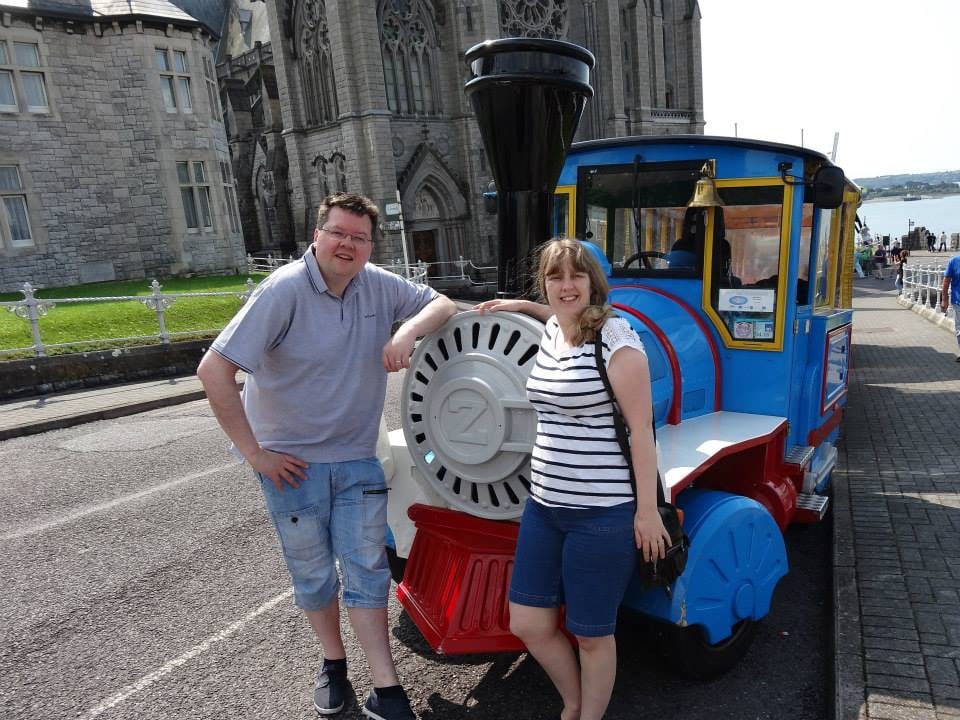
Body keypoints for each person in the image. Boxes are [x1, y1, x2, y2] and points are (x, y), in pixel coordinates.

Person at [197, 192, 457, 719]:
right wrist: (255, 455)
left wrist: (405, 329)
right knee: (314, 575)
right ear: (316, 236)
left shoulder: (377, 284)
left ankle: (386, 690)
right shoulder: (284, 290)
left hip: (357, 458)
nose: (348, 245)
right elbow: (213, 371)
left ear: (368, 246)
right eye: (338, 232)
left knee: (368, 573)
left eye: (360, 237)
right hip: (292, 469)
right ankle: (333, 664)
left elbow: (443, 304)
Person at [475, 238, 669, 720]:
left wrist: (646, 513)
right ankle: (573, 702)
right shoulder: (553, 333)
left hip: (601, 514)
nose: (566, 286)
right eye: (555, 276)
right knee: (529, 623)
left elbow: (642, 435)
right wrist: (521, 305)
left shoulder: (617, 341)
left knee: (591, 633)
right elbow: (553, 313)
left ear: (593, 284)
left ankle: (587, 716)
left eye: (576, 276)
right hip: (543, 507)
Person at [940, 251, 960, 361]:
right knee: (959, 329)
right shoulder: (954, 261)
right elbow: (946, 282)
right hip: (958, 302)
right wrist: (944, 300)